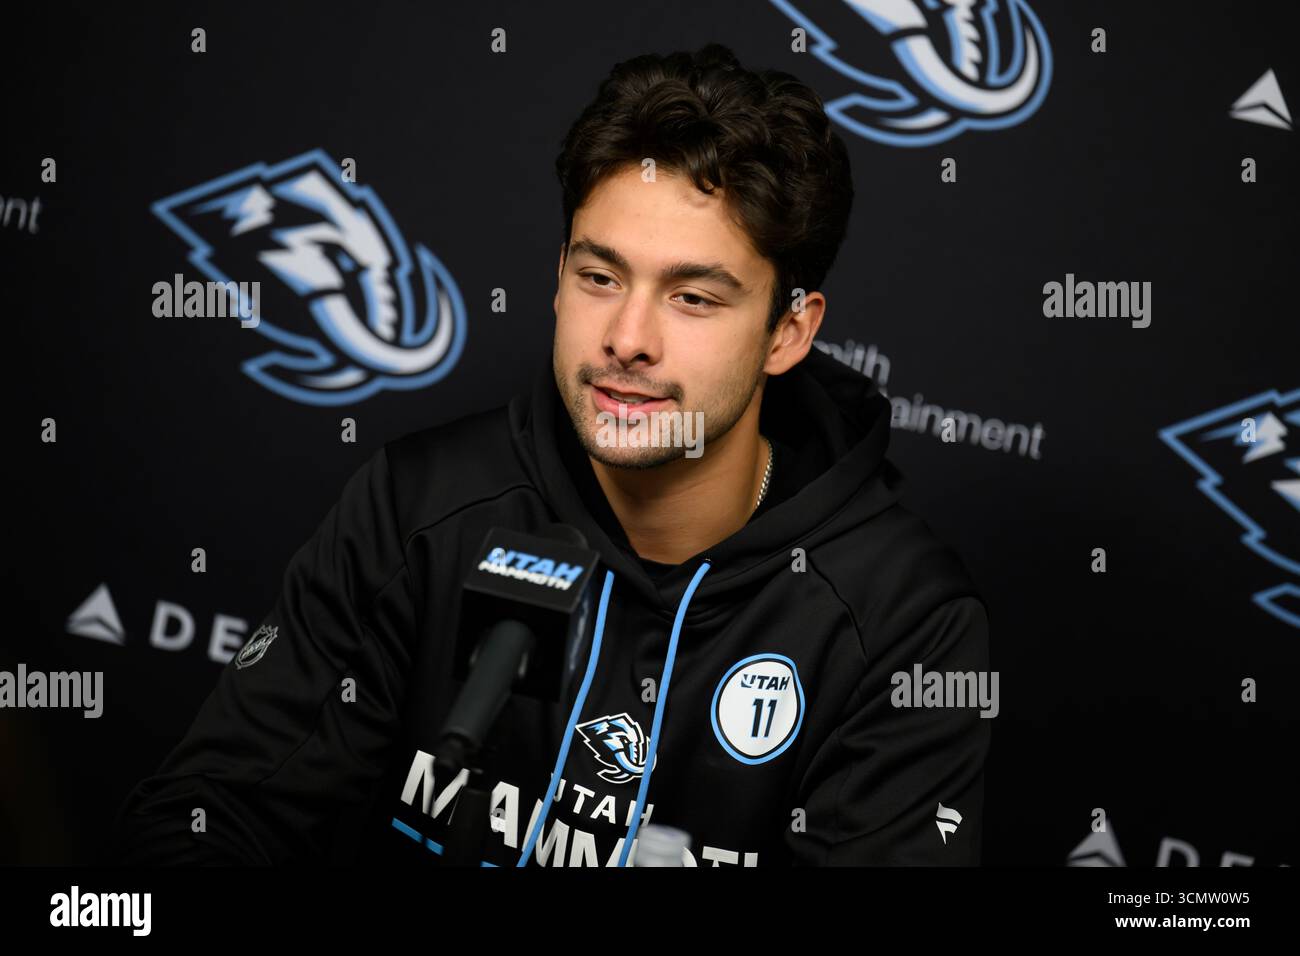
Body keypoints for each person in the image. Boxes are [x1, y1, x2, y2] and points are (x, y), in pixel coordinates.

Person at [112, 42, 990, 867]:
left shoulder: (904, 623)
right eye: (599, 277)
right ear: (558, 272)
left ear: (788, 332)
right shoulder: (418, 505)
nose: (627, 339)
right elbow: (207, 818)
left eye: (692, 297)